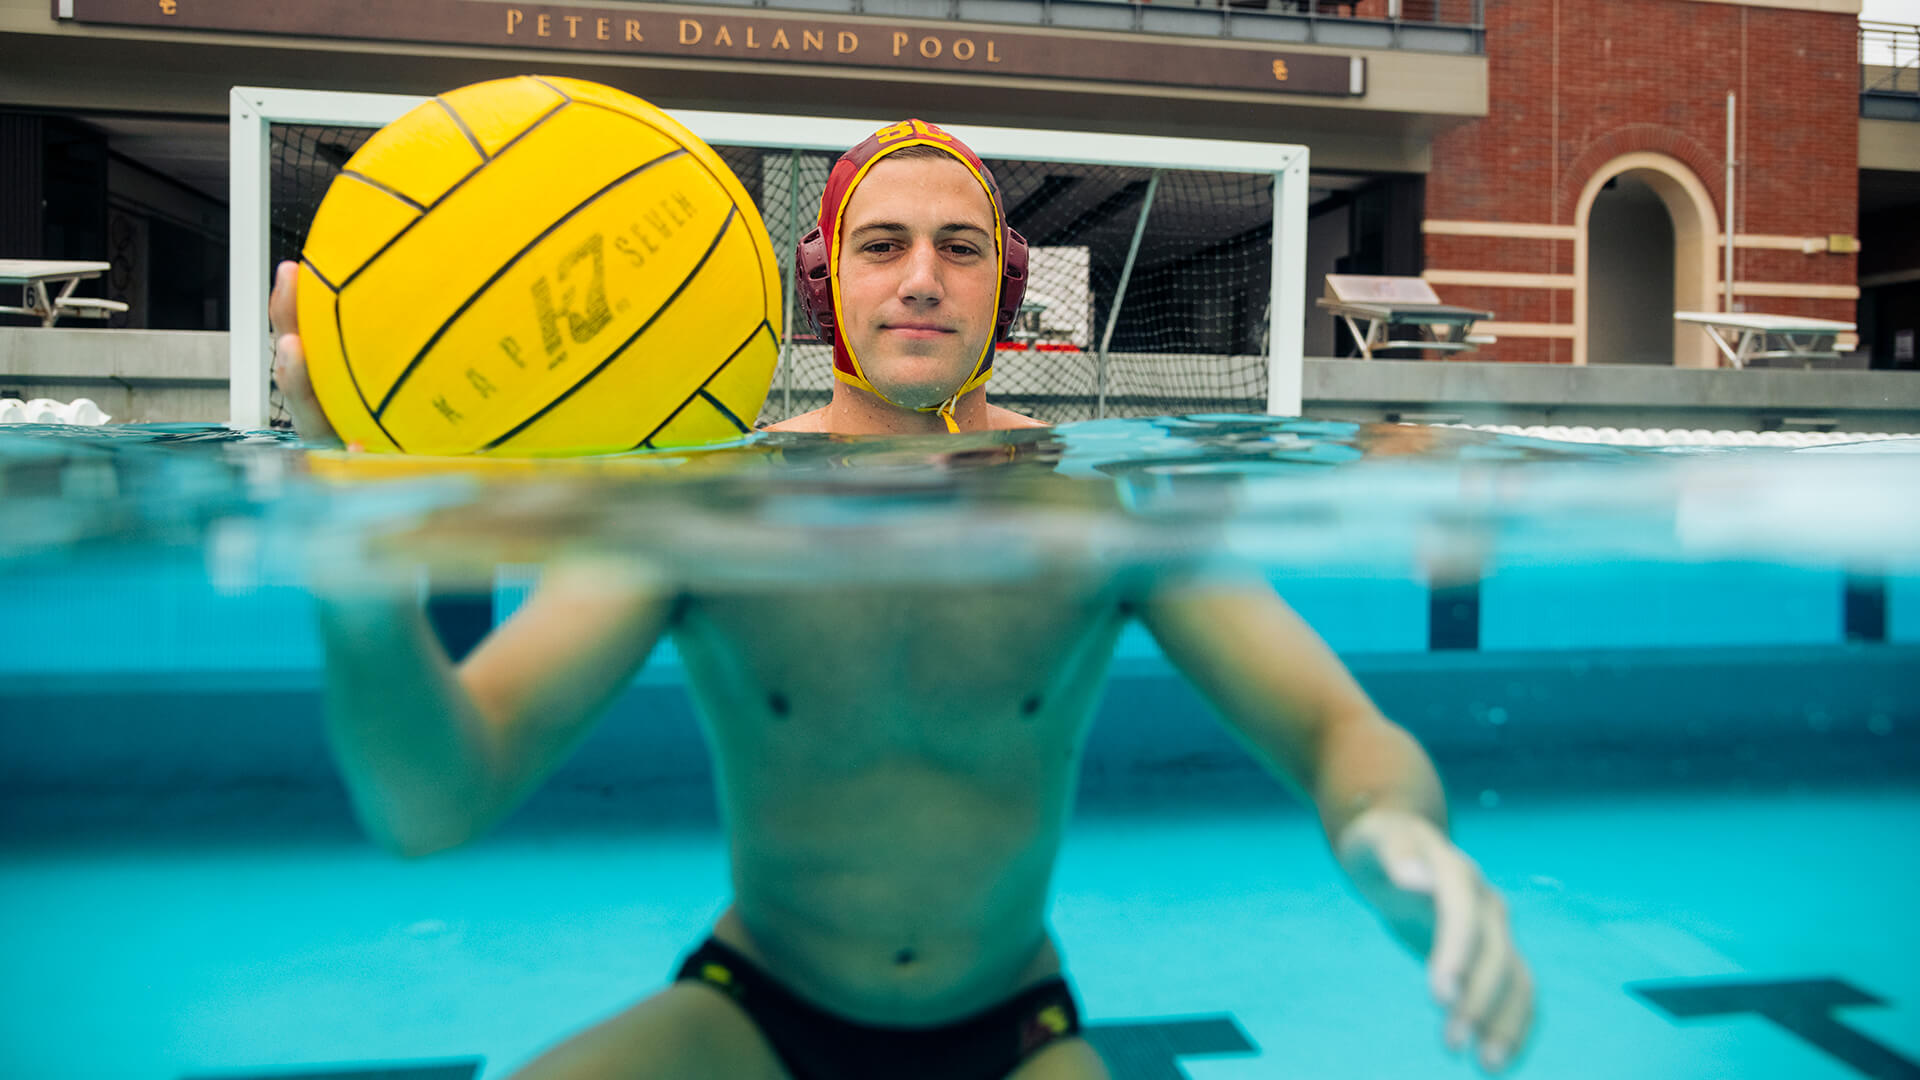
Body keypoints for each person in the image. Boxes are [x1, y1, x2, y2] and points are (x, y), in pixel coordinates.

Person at [270, 118, 1535, 1079]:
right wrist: (357, 574)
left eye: (958, 248)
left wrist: (1390, 831)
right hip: (755, 1013)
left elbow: (1334, 730)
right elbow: (438, 799)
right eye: (882, 246)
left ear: (1005, 285)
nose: (921, 278)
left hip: (1016, 1031)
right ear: (828, 281)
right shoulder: (717, 504)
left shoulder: (1098, 509)